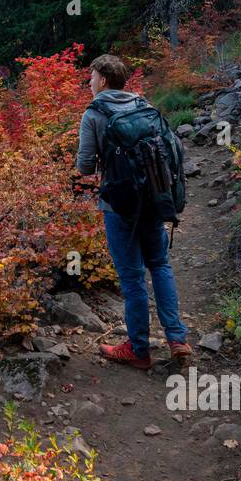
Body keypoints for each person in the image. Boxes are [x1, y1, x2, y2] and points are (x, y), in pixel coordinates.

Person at [76, 54, 190, 370]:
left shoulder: (94, 114)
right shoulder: (143, 106)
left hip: (119, 206)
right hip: (154, 199)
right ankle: (177, 339)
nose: (89, 83)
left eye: (92, 77)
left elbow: (84, 167)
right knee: (160, 265)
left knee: (132, 277)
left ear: (102, 80)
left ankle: (138, 349)